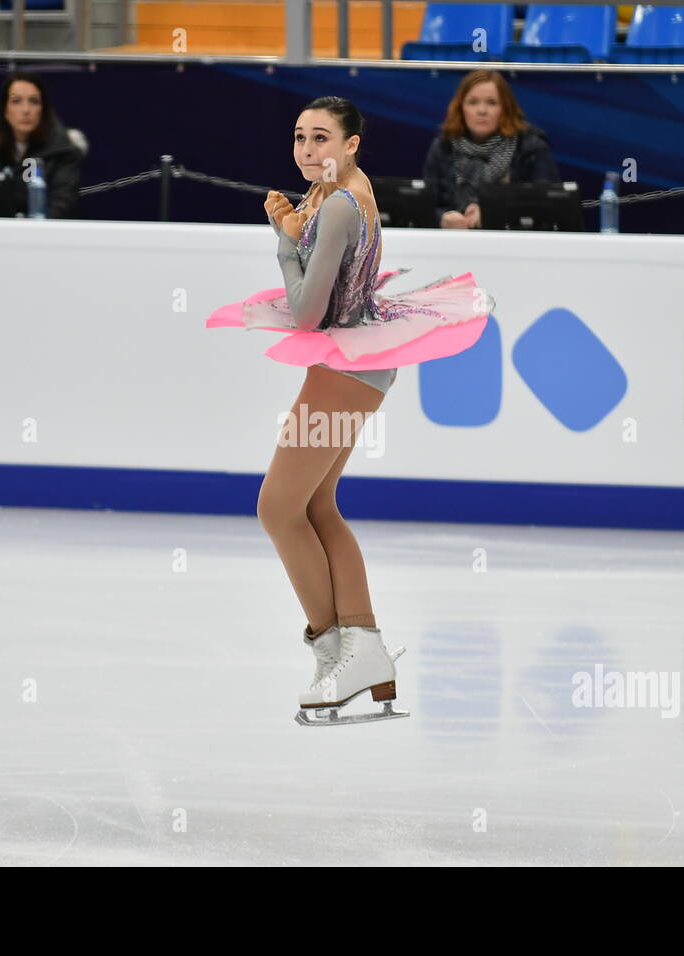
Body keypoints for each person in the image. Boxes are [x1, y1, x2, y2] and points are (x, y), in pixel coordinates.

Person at [205, 96, 494, 722]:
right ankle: (360, 650)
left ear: (352, 144)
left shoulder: (336, 204)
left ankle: (339, 647)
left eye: (321, 139)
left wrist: (283, 245)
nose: (308, 151)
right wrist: (295, 229)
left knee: (277, 508)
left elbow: (309, 311)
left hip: (348, 364)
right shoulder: (336, 191)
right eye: (300, 138)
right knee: (314, 505)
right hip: (355, 359)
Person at [422, 70, 561, 229]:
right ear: (461, 108)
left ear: (505, 109)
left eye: (491, 102)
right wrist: (442, 219)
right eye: (473, 102)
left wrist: (495, 212)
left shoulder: (530, 146)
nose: (482, 110)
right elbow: (425, 207)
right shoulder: (443, 145)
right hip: (455, 243)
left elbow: (550, 208)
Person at [0, 71, 86, 219]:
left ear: (42, 110)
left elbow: (62, 204)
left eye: (34, 101)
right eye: (16, 101)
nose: (26, 110)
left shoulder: (63, 148)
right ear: (5, 110)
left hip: (42, 234)